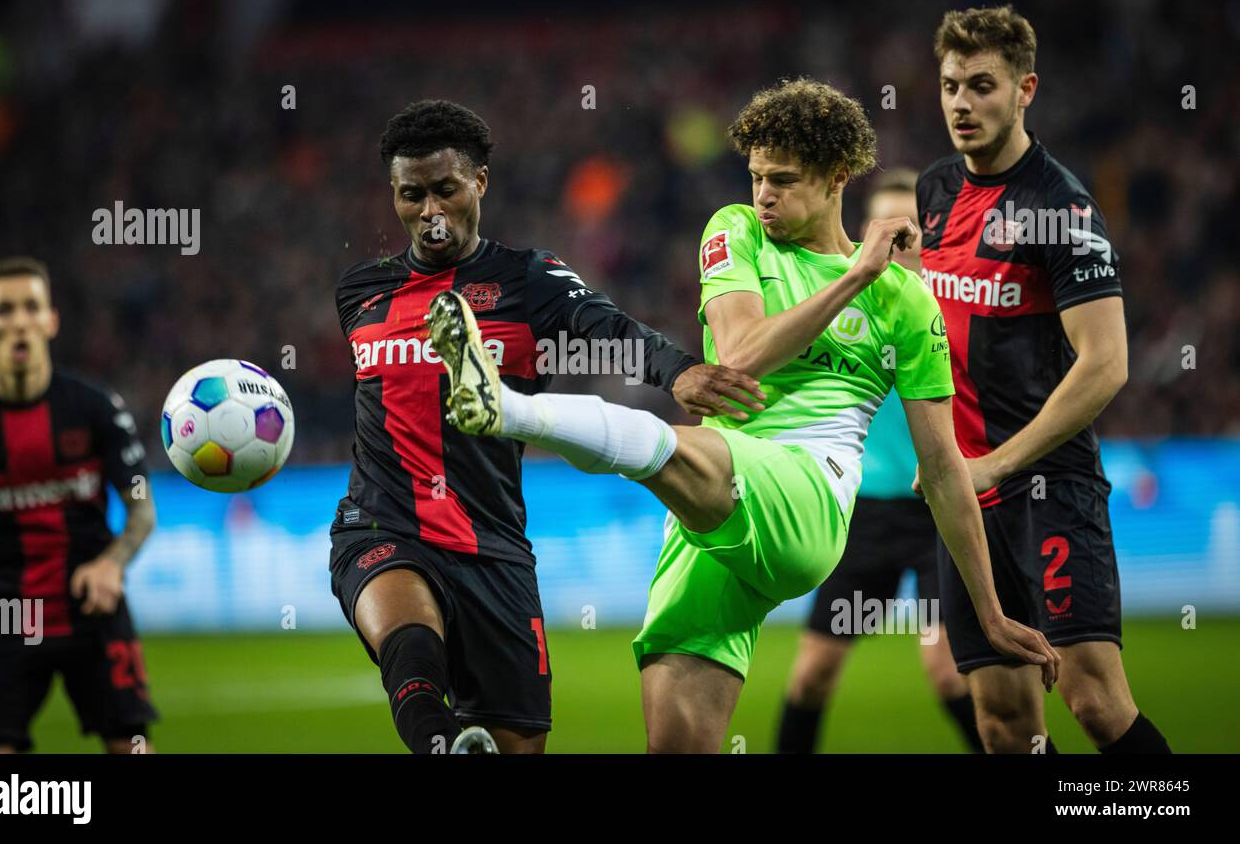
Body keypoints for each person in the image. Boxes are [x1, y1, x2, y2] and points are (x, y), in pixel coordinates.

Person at [429, 78, 1059, 753]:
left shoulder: (905, 301)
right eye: (757, 176)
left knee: (669, 443)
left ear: (836, 176)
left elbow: (942, 469)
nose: (763, 194)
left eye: (783, 179)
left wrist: (989, 615)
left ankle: (505, 408)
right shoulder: (736, 232)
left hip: (810, 496)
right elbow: (739, 354)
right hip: (717, 504)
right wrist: (856, 278)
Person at [330, 99, 762, 754]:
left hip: (492, 542)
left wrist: (677, 374)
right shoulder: (361, 292)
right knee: (408, 640)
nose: (429, 211)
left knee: (521, 744)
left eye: (445, 189)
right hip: (382, 522)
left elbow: (610, 330)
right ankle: (442, 745)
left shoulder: (527, 281)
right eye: (410, 195)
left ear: (479, 181)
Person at [915, 4, 1170, 753]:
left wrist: (997, 461)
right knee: (1001, 722)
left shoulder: (1062, 208)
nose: (962, 103)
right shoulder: (933, 192)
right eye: (951, 85)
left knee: (1094, 699)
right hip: (964, 497)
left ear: (1027, 89)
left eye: (983, 86)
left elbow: (1107, 364)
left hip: (1047, 487)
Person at [776, 169, 982, 754]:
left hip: (938, 508)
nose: (896, 241)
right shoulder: (840, 300)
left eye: (908, 230)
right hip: (862, 512)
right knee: (812, 674)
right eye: (884, 228)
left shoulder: (954, 308)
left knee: (947, 672)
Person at [0, 256, 158, 754]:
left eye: (31, 307)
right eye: (4, 309)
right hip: (4, 615)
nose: (19, 320)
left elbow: (142, 507)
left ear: (50, 320)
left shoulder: (98, 409)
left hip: (94, 611)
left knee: (135, 747)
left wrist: (112, 563)